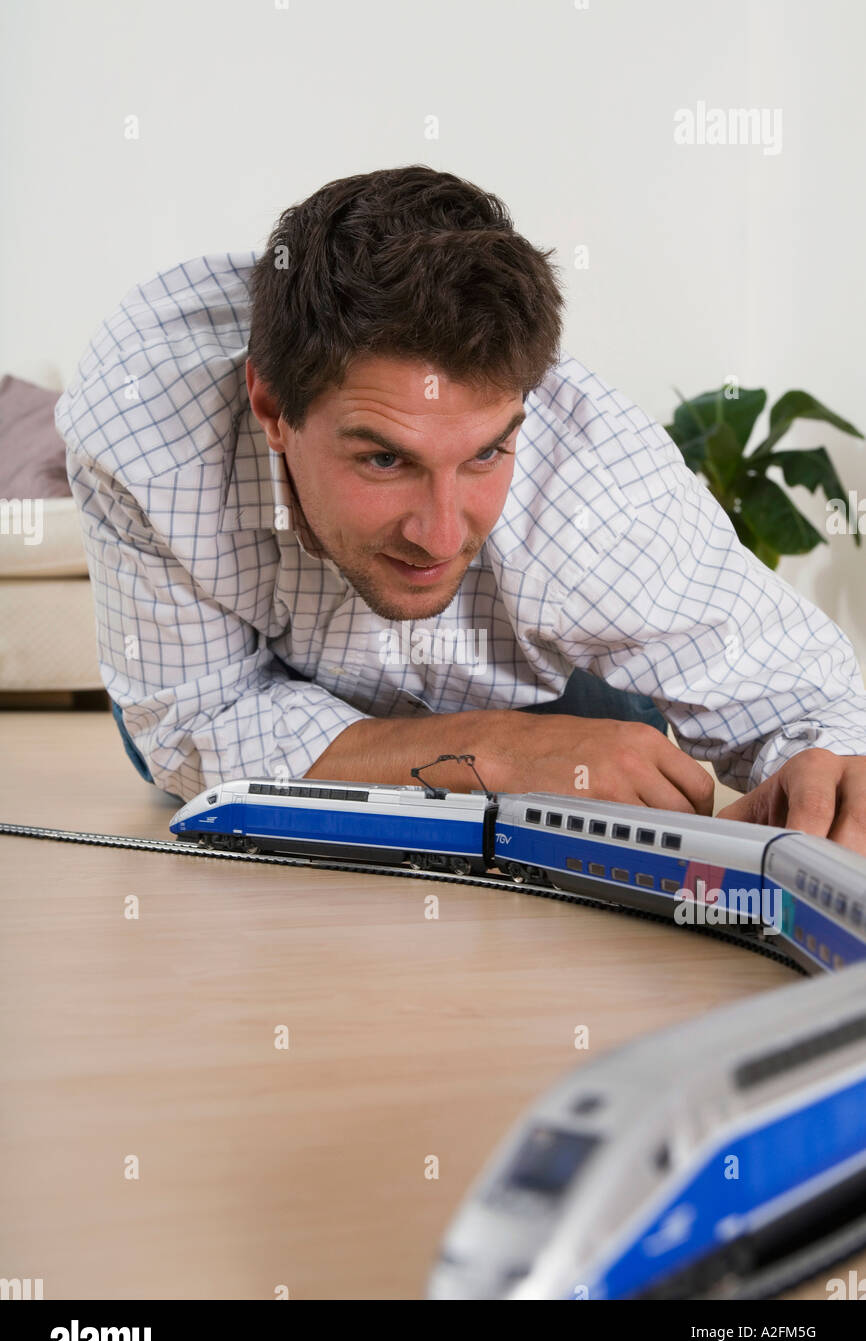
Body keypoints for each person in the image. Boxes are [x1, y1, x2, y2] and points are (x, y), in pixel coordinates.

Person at [55, 166, 866, 851]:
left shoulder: (595, 479)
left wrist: (828, 782)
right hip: (257, 672)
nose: (442, 533)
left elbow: (809, 699)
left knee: (631, 744)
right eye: (384, 458)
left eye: (485, 453)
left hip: (529, 687)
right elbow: (192, 723)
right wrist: (491, 752)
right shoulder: (145, 416)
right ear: (271, 406)